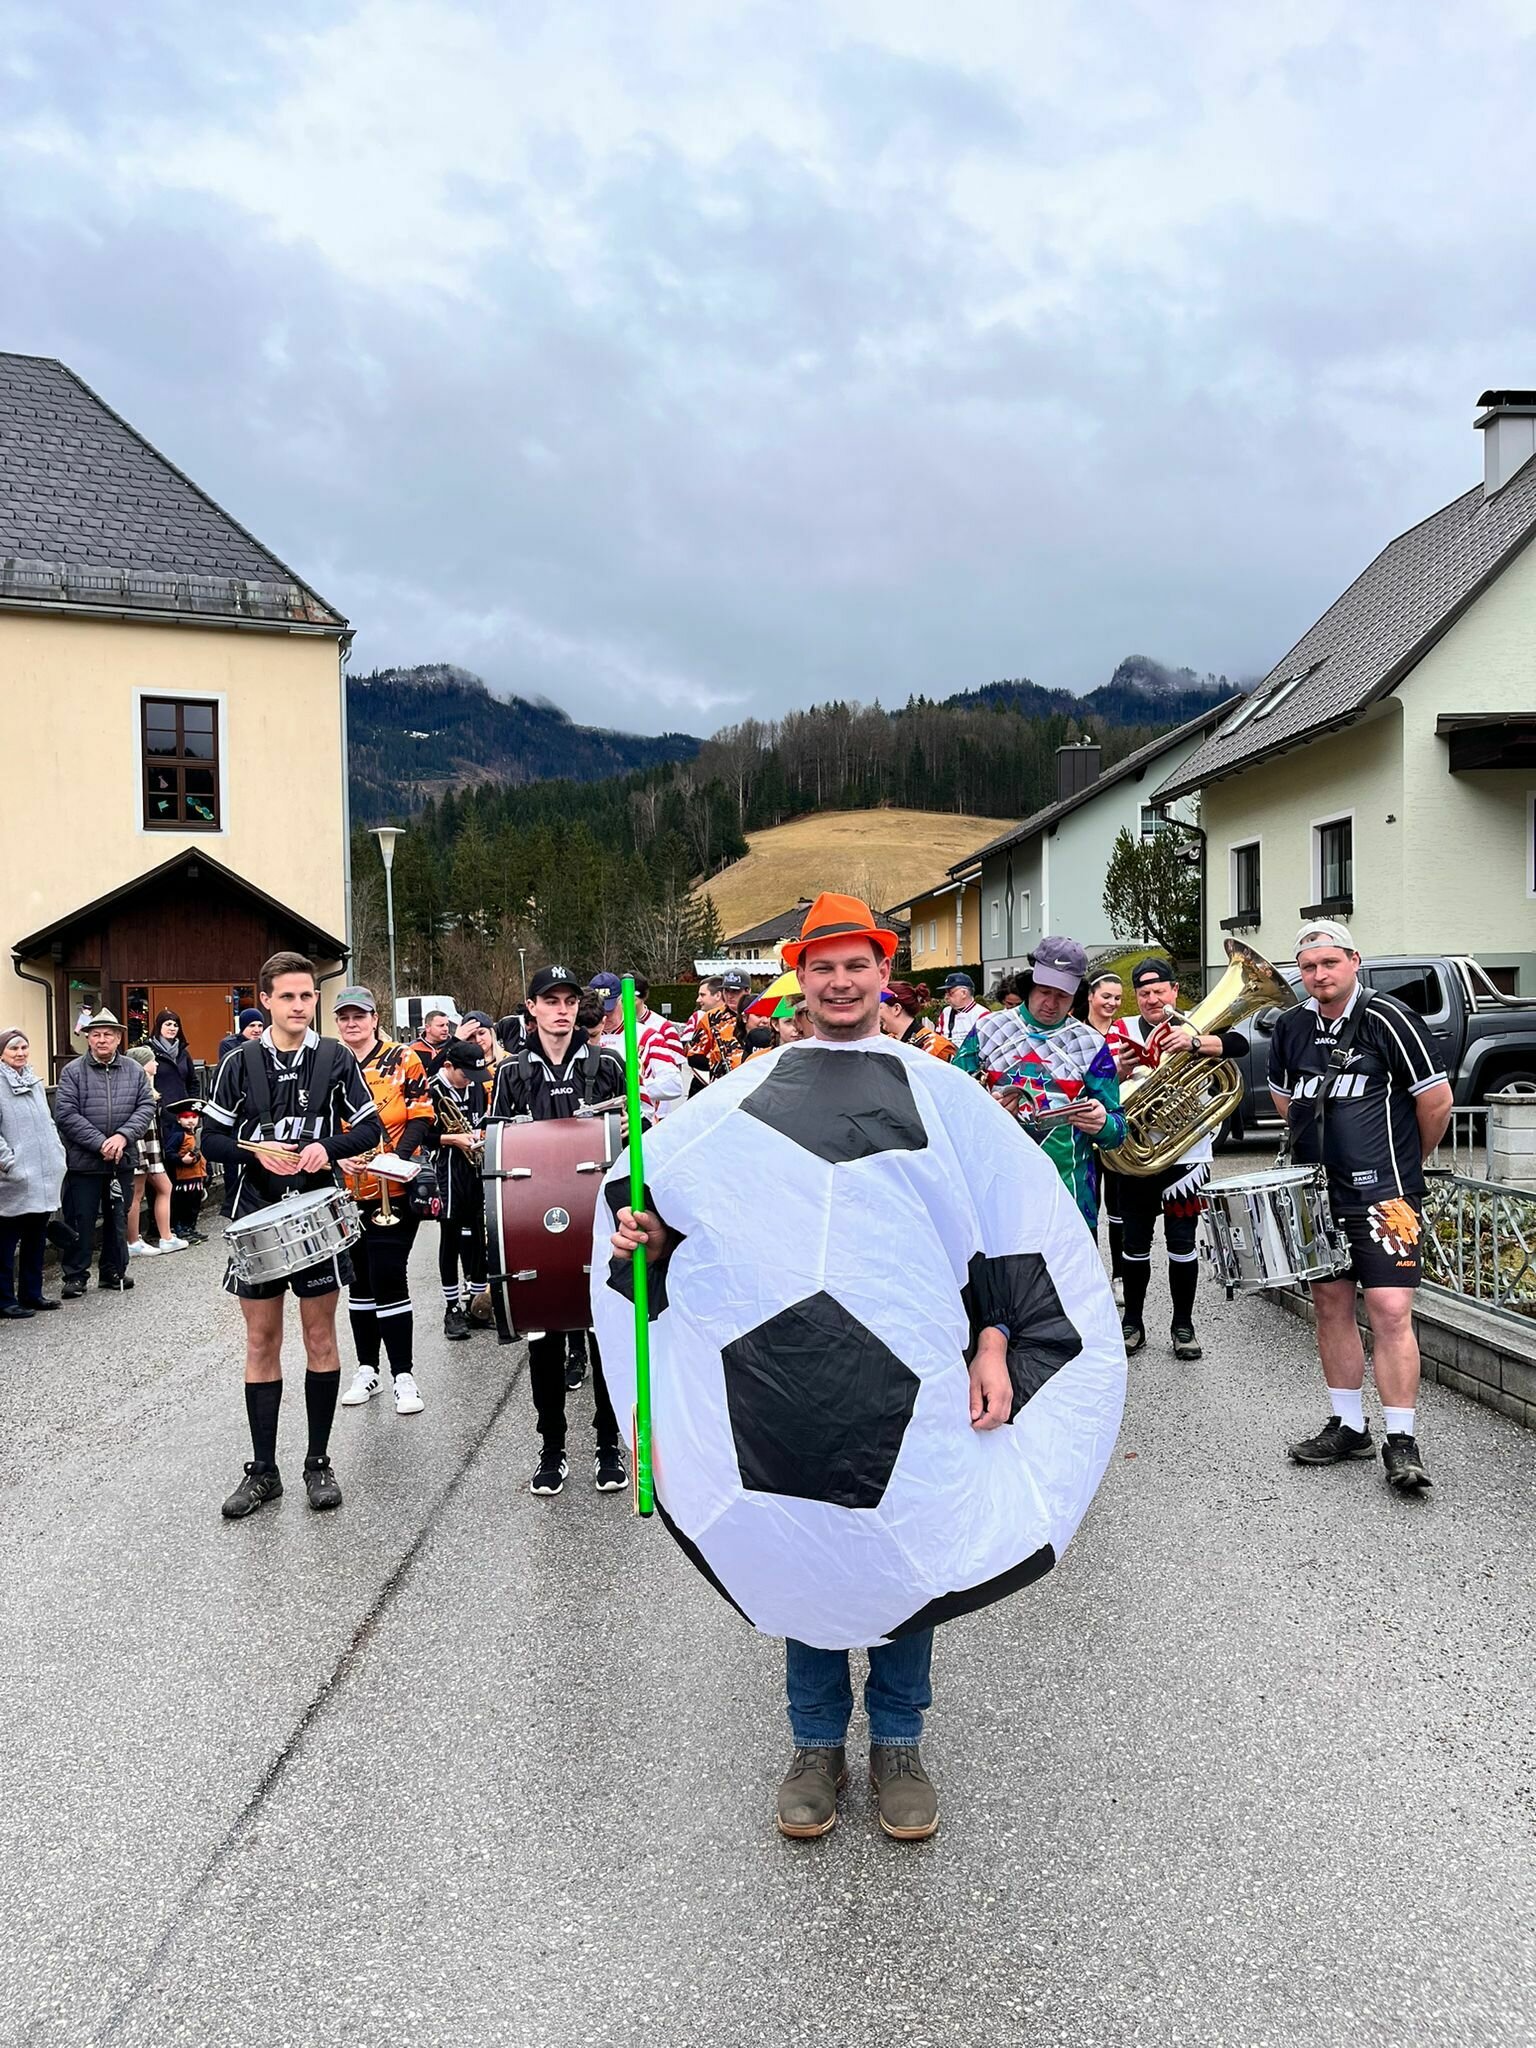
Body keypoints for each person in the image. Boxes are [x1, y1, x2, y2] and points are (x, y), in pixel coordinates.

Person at [609, 893, 1124, 1843]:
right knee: (806, 1542)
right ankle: (815, 1747)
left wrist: (998, 1340)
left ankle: (896, 1744)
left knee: (910, 1543)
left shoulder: (944, 1095)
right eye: (823, 968)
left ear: (887, 976)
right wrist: (648, 1234)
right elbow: (670, 1226)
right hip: (786, 1379)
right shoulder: (737, 1101)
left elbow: (1001, 1229)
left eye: (858, 967)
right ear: (798, 981)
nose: (840, 984)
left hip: (923, 1377)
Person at [1269, 921, 1452, 1493]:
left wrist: (1404, 1163)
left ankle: (1402, 1440)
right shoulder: (1291, 1025)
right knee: (1330, 1307)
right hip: (1318, 1194)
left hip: (1386, 1195)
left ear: (1353, 960)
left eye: (1329, 963)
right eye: (1308, 967)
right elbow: (1284, 1099)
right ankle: (1349, 1426)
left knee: (1391, 1310)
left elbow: (1436, 1101)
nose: (1318, 975)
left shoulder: (1389, 1017)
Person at [201, 952, 381, 1519]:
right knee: (261, 1343)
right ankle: (263, 1471)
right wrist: (260, 1153)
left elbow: (371, 1127)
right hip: (254, 1210)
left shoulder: (334, 1057)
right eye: (288, 997)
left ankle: (318, 1462)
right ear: (267, 1001)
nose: (300, 1005)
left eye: (307, 996)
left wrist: (325, 1147)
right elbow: (210, 1141)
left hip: (316, 1215)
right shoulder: (238, 1062)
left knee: (320, 1337)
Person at [491, 963, 629, 1495]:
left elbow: (628, 1142)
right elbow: (498, 1149)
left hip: (598, 1220)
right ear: (532, 1008)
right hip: (539, 1226)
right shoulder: (511, 1073)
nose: (562, 1008)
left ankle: (607, 1445)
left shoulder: (607, 1065)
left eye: (569, 999)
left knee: (604, 1338)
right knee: (544, 1336)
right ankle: (552, 1447)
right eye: (550, 1000)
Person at [1115, 956, 1248, 1362]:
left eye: (1159, 990)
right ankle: (1133, 1322)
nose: (1153, 998)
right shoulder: (1121, 1030)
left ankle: (1182, 1326)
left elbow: (1239, 1045)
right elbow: (1098, 1079)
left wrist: (1194, 1043)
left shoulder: (1195, 1022)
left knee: (1182, 1243)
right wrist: (1119, 1070)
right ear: (1136, 996)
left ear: (1174, 991)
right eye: (1144, 993)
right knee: (1134, 1245)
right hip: (1136, 1155)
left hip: (1186, 1155)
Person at [969, 939, 1126, 1230]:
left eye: (1063, 996)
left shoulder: (1091, 1044)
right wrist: (983, 1109)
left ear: (1077, 995)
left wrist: (1102, 1123)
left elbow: (1118, 1131)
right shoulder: (986, 1030)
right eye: (1044, 992)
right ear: (1030, 984)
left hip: (1069, 1200)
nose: (1051, 1004)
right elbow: (948, 1105)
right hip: (995, 1198)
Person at [332, 988, 435, 1417]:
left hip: (392, 1184)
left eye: (360, 1016)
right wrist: (341, 1153)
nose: (352, 1023)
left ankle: (404, 1375)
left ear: (375, 1018)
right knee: (359, 1280)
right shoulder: (330, 1063)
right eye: (344, 1017)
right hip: (348, 1186)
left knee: (389, 1272)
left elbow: (422, 1114)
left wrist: (394, 1156)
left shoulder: (402, 1058)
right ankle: (368, 1367)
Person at [52, 1011, 154, 1298]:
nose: (102, 1039)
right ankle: (75, 1275)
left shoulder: (134, 1070)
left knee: (117, 1217)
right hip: (84, 1162)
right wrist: (101, 1143)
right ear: (88, 1038)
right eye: (96, 1034)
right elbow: (66, 1114)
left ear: (119, 1038)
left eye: (108, 1034)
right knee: (80, 1219)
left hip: (121, 1159)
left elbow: (145, 1107)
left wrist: (122, 1137)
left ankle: (113, 1271)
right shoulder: (73, 1071)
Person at [0, 1029, 66, 1317]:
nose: (20, 1053)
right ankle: (4, 1299)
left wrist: (57, 1153)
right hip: (13, 1178)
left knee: (36, 1238)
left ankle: (31, 1293)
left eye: (24, 1047)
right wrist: (8, 1163)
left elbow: (47, 1122)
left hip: (42, 1173)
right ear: (2, 1052)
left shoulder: (34, 1081)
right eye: (13, 1048)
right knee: (5, 1243)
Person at [430, 1035, 492, 1338]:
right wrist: (451, 1138)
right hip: (448, 1168)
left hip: (475, 1166)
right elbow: (422, 1136)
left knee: (478, 1231)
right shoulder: (433, 1089)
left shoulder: (476, 1086)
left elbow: (482, 1119)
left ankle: (477, 1301)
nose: (471, 1081)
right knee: (451, 1234)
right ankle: (451, 1306)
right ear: (450, 1066)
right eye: (465, 1075)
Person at [1081, 970, 1134, 1302]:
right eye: (1106, 997)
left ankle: (1119, 1275)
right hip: (1084, 1128)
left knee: (1117, 1209)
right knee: (1087, 1207)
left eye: (1117, 998)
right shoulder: (1075, 1031)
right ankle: (1088, 1274)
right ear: (1090, 997)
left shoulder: (1123, 1031)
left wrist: (1128, 1071)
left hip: (1114, 1124)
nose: (1112, 1003)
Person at [122, 1040, 183, 1260]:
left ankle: (165, 1237)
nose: (156, 1064)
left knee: (161, 1188)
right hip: (140, 1142)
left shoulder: (149, 1086)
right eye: (152, 1061)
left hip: (150, 1143)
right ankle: (133, 1240)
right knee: (136, 1194)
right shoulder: (135, 1088)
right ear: (142, 1064)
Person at [162, 1096, 210, 1245]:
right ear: (178, 1119)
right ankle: (180, 1228)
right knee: (182, 1204)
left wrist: (208, 1172)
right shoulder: (177, 1136)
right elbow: (168, 1154)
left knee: (195, 1205)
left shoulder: (198, 1135)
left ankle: (191, 1227)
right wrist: (181, 1160)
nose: (190, 1120)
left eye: (194, 1117)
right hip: (183, 1178)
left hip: (198, 1177)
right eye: (186, 1117)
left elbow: (205, 1155)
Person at [879, 982, 957, 1060]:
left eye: (879, 1008)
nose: (875, 1014)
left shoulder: (937, 1048)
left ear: (896, 1009)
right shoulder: (886, 1043)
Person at [938, 972, 988, 1055]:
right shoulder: (946, 1012)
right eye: (945, 993)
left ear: (964, 993)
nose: (946, 997)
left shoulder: (982, 1014)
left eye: (950, 992)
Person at [411, 1008, 458, 1077]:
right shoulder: (413, 1048)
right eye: (441, 1025)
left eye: (447, 1025)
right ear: (427, 1028)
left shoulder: (455, 1047)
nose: (446, 1029)